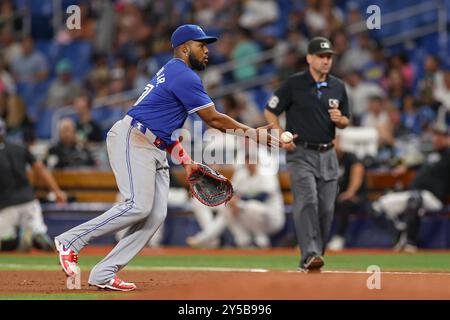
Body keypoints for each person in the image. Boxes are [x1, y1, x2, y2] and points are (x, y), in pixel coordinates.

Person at [53, 24, 280, 291]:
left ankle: (104, 272)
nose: (207, 51)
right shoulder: (183, 75)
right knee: (138, 205)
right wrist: (253, 133)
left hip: (154, 144)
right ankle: (71, 240)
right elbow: (213, 119)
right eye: (201, 45)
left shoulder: (175, 74)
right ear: (185, 48)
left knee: (155, 214)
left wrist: (187, 161)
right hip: (133, 138)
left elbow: (166, 132)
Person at [264, 37, 350, 272]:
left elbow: (345, 120)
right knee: (307, 201)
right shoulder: (294, 84)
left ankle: (314, 256)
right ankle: (310, 254)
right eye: (321, 56)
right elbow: (271, 111)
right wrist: (281, 134)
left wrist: (340, 120)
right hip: (300, 153)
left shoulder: (338, 86)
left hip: (328, 153)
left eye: (329, 57)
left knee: (326, 208)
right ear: (309, 58)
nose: (326, 61)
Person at [370, 124, 450, 252]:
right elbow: (419, 164)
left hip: (433, 198)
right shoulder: (431, 156)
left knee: (415, 199)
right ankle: (398, 230)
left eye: (441, 137)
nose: (436, 139)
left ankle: (410, 243)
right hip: (414, 193)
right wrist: (406, 167)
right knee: (377, 206)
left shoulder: (448, 155)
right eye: (435, 136)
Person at [187, 152, 285, 249]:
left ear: (258, 162)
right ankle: (243, 241)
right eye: (248, 162)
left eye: (253, 162)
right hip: (246, 212)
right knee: (226, 208)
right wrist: (233, 201)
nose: (250, 164)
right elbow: (231, 192)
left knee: (252, 206)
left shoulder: (267, 173)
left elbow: (263, 197)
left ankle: (261, 240)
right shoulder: (242, 174)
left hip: (271, 217)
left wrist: (239, 202)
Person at [0, 118, 67, 252]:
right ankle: (35, 234)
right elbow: (40, 169)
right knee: (40, 234)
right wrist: (57, 191)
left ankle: (18, 240)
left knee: (4, 242)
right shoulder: (19, 147)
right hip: (30, 202)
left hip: (6, 206)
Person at [327, 134, 366, 251]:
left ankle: (339, 237)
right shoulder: (326, 159)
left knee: (345, 203)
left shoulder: (351, 158)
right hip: (335, 197)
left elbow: (357, 175)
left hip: (355, 196)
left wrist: (350, 192)